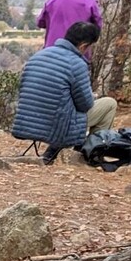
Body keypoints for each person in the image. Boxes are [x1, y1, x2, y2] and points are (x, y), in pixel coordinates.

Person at [11, 20, 117, 164]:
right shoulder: (76, 64)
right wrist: (91, 96)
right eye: (89, 47)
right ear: (84, 45)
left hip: (26, 123)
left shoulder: (38, 56)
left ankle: (61, 150)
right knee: (109, 104)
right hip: (56, 127)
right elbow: (85, 105)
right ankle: (90, 153)